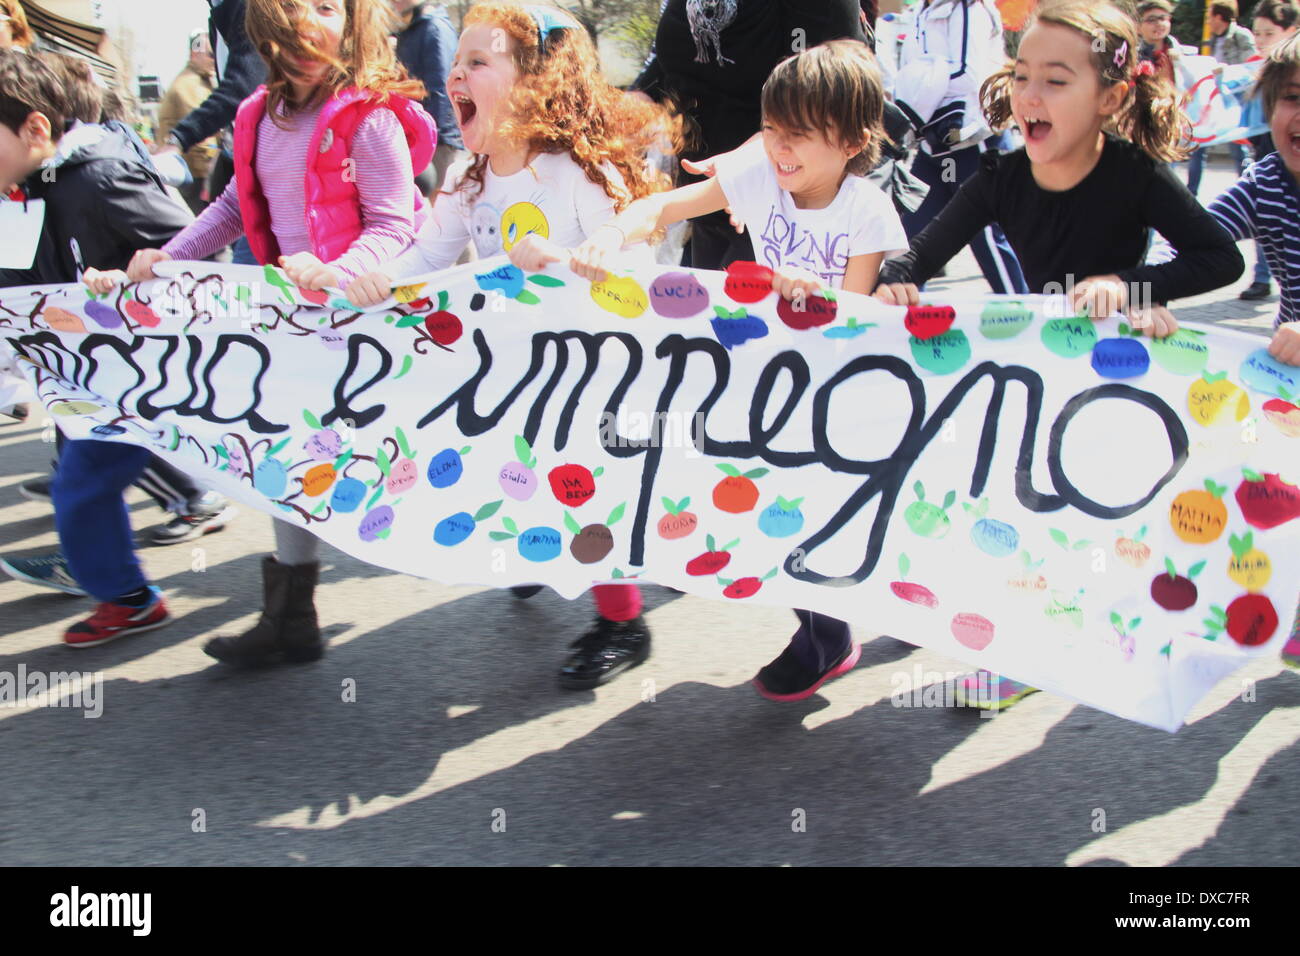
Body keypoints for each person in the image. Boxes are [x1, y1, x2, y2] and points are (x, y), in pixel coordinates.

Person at [874, 0, 1245, 709]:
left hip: (1116, 378)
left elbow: (1218, 259)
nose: (1030, 96)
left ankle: (1171, 630)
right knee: (1021, 511)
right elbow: (915, 259)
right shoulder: (999, 180)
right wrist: (897, 286)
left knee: (1098, 526)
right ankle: (1015, 644)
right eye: (1021, 76)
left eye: (1056, 80)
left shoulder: (1133, 175)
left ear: (1109, 98)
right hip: (1036, 373)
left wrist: (1131, 288)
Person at [545, 39, 907, 700]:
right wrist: (613, 236)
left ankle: (853, 620)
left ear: (853, 142)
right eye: (771, 129)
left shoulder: (868, 213)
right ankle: (829, 623)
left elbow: (858, 322)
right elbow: (663, 209)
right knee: (770, 508)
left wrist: (816, 301)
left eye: (798, 134)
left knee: (841, 513)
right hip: (766, 380)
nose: (779, 148)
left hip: (839, 392)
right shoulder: (759, 175)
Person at [346, 2, 674, 689]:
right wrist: (372, 280)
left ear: (537, 83)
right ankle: (534, 550)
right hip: (515, 367)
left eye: (477, 62)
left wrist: (559, 258)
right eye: (456, 62)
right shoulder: (471, 174)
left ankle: (623, 621)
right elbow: (427, 257)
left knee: (585, 493)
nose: (454, 76)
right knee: (507, 461)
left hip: (592, 371)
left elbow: (638, 274)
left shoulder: (581, 172)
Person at [125, 0, 435, 667]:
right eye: (291, 8)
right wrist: (170, 257)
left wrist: (331, 272)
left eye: (326, 6)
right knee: (285, 459)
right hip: (294, 328)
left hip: (367, 325)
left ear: (352, 22)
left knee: (401, 460)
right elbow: (238, 203)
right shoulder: (256, 116)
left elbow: (394, 226)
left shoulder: (369, 115)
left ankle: (513, 558)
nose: (307, 24)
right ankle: (291, 618)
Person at [0, 49, 199, 645]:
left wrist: (130, 280)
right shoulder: (25, 183)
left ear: (36, 129)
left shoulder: (101, 175)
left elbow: (189, 246)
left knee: (81, 486)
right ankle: (124, 571)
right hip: (75, 370)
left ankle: (129, 595)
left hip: (137, 368)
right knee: (81, 479)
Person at [630, 0, 868, 271]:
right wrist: (627, 108)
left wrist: (750, 155)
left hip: (780, 197)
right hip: (706, 192)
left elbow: (831, 93)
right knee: (707, 308)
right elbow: (667, 64)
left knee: (746, 309)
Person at [1205, 33, 1300, 670]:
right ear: (1269, 109)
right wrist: (1133, 287)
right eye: (1293, 98)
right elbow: (1199, 237)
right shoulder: (1267, 178)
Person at [893, 0, 1028, 297]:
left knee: (987, 237)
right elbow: (911, 72)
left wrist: (917, 97)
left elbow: (969, 75)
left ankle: (1027, 315)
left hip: (970, 138)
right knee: (911, 234)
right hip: (932, 141)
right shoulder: (920, 12)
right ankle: (908, 324)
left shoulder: (969, 9)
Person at [153, 0, 269, 266]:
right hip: (279, 274)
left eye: (326, 8)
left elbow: (383, 224)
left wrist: (341, 273)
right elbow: (234, 207)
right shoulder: (268, 118)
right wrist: (170, 254)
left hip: (332, 287)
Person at [1235, 0, 1300, 299]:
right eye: (1293, 97)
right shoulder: (1265, 181)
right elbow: (1190, 234)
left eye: (1268, 32)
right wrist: (1138, 291)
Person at [390, 1, 463, 195]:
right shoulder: (410, 30)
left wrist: (432, 138)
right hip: (413, 135)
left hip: (436, 140)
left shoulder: (435, 28)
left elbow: (442, 89)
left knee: (436, 208)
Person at [1186, 0, 1257, 197]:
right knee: (1198, 145)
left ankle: (1249, 189)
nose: (1208, 21)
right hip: (1211, 100)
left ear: (1219, 17)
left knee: (1239, 150)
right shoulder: (1212, 40)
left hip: (1232, 101)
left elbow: (1251, 65)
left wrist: (1226, 71)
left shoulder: (1241, 36)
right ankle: (1190, 194)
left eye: (1210, 16)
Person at [157, 30, 220, 215]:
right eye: (210, 54)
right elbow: (203, 133)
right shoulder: (190, 85)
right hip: (194, 175)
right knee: (208, 232)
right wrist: (212, 174)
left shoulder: (198, 81)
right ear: (195, 54)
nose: (213, 60)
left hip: (191, 172)